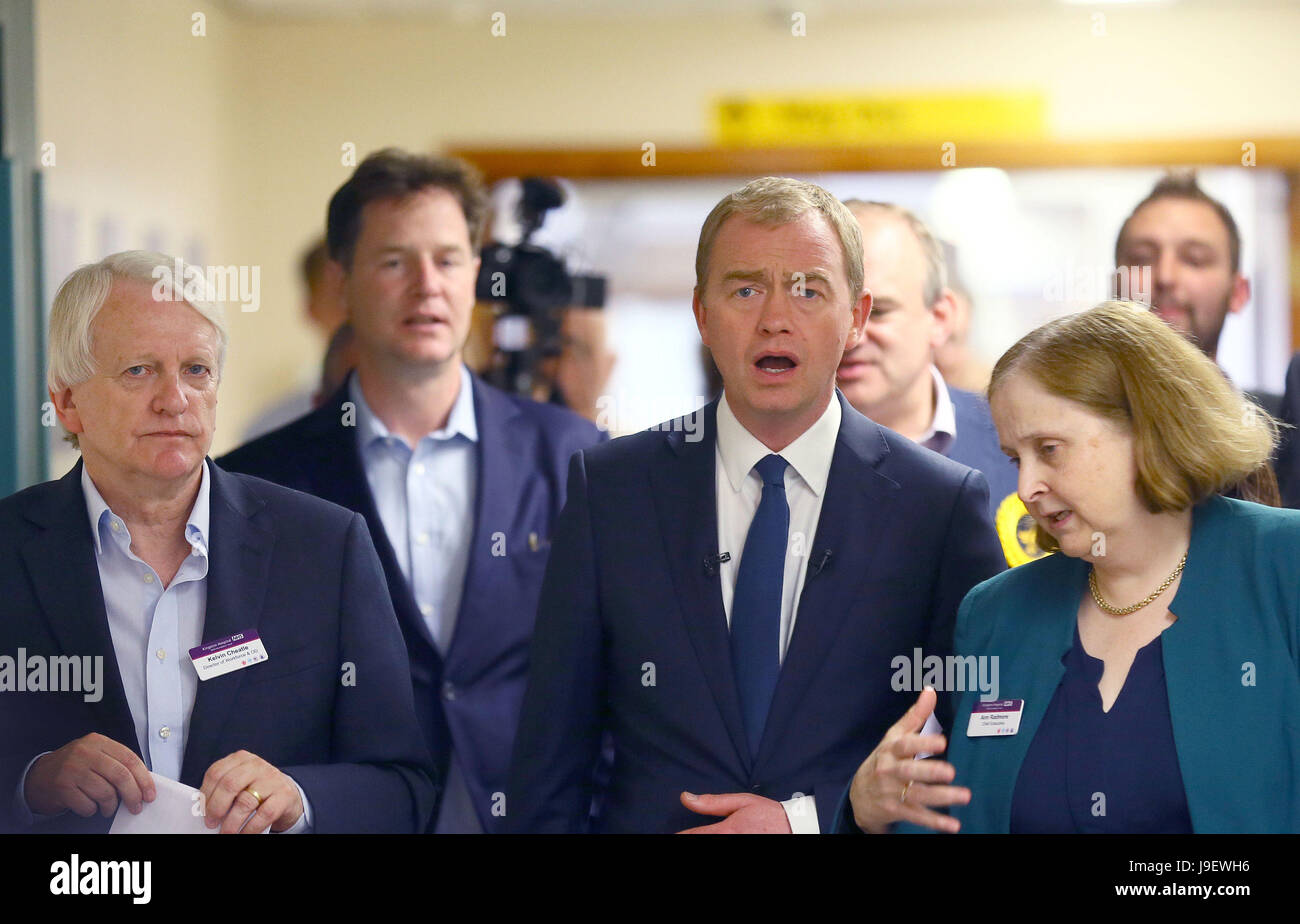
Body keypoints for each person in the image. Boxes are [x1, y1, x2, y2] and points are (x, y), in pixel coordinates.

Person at [506, 177, 1005, 834]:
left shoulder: (938, 504)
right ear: (702, 314)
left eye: (808, 290)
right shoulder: (612, 489)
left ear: (856, 315)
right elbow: (550, 763)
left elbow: (981, 752)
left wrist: (811, 818)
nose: (775, 317)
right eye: (745, 289)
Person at [219, 149, 604, 833]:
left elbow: (619, 663)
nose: (428, 287)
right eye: (395, 261)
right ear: (342, 280)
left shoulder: (574, 456)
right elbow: (236, 670)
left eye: (450, 259)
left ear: (475, 274)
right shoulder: (256, 481)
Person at [0, 251, 436, 834]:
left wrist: (299, 799)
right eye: (139, 370)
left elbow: (402, 787)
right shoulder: (10, 551)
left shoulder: (326, 547)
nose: (174, 399)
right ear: (66, 402)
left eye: (196, 371)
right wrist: (31, 782)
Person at [839, 300, 1299, 834]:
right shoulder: (996, 613)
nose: (1025, 488)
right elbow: (958, 814)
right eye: (1016, 457)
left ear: (1149, 426)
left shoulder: (1282, 569)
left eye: (1050, 449)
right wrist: (868, 812)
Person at [836, 201, 1039, 566]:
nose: (851, 336)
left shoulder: (1021, 444)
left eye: (878, 312)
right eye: (830, 309)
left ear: (940, 317)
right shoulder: (771, 461)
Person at [1114, 172, 1280, 416]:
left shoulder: (1286, 434)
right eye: (1142, 258)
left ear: (1238, 292)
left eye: (1195, 259)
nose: (1165, 277)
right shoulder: (1068, 426)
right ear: (1114, 284)